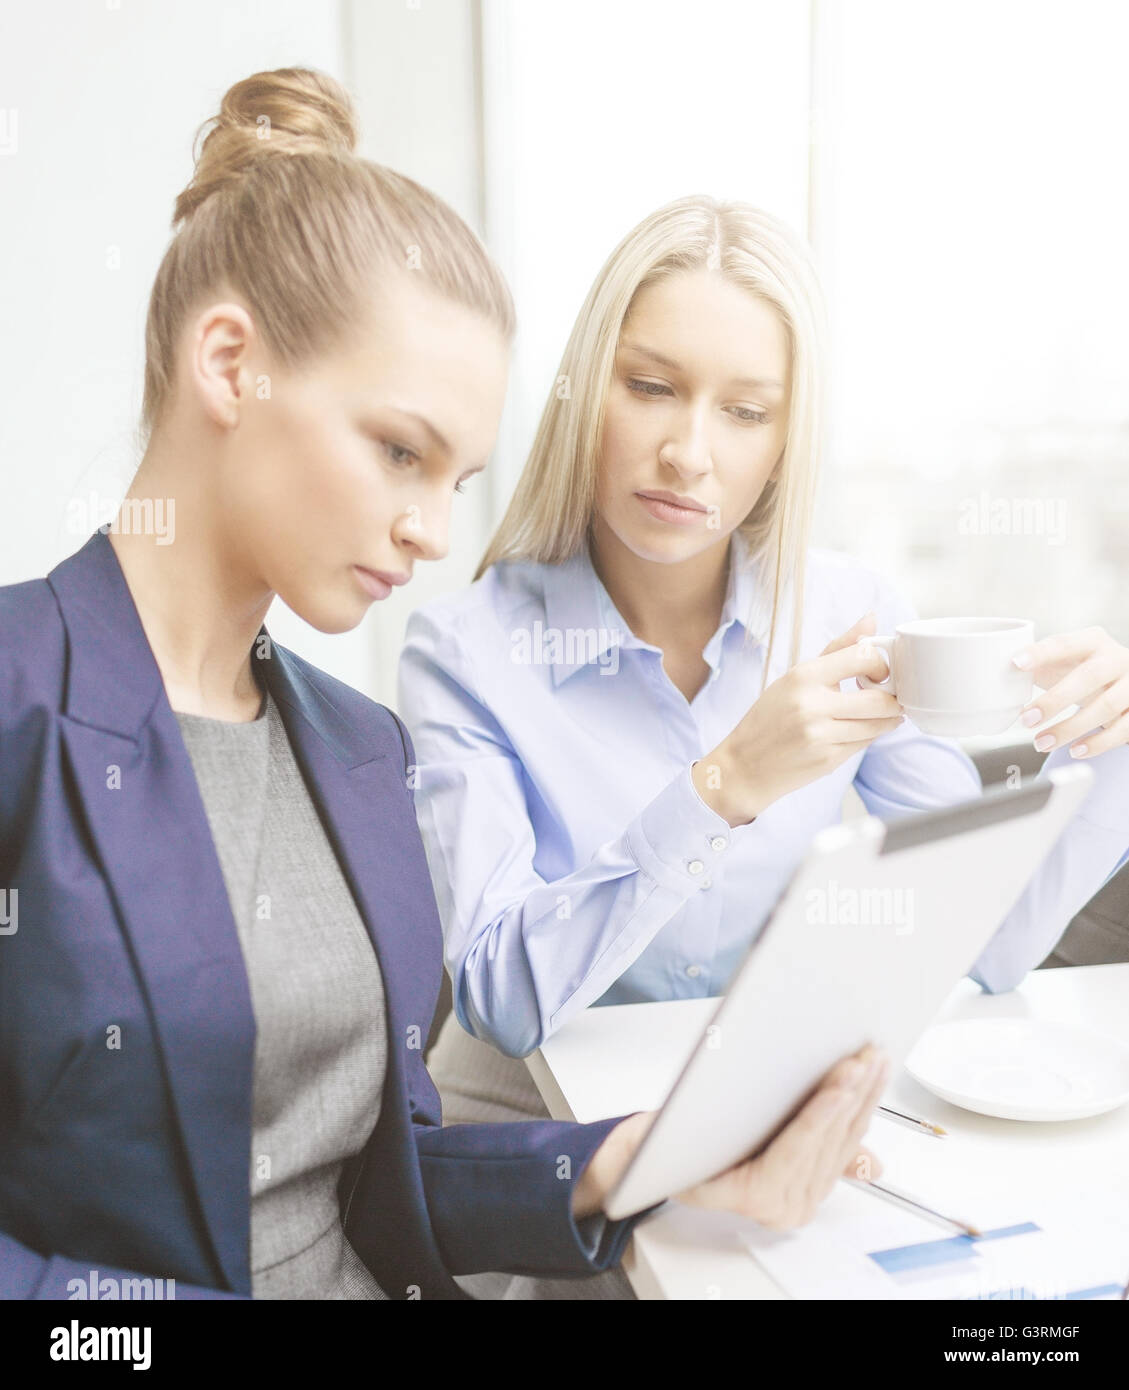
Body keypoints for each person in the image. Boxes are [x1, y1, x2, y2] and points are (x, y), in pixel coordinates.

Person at [0, 70, 890, 1302]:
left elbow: (374, 1181)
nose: (429, 532)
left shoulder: (359, 751)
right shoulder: (16, 701)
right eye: (399, 450)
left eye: (457, 479)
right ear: (228, 364)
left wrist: (624, 1167)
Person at [397, 195, 1129, 1297]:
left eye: (745, 411)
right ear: (582, 388)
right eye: (648, 386)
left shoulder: (846, 609)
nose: (687, 451)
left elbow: (983, 946)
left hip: (764, 1149)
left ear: (785, 442)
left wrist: (1111, 744)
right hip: (565, 1169)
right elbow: (501, 992)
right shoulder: (465, 651)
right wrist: (724, 784)